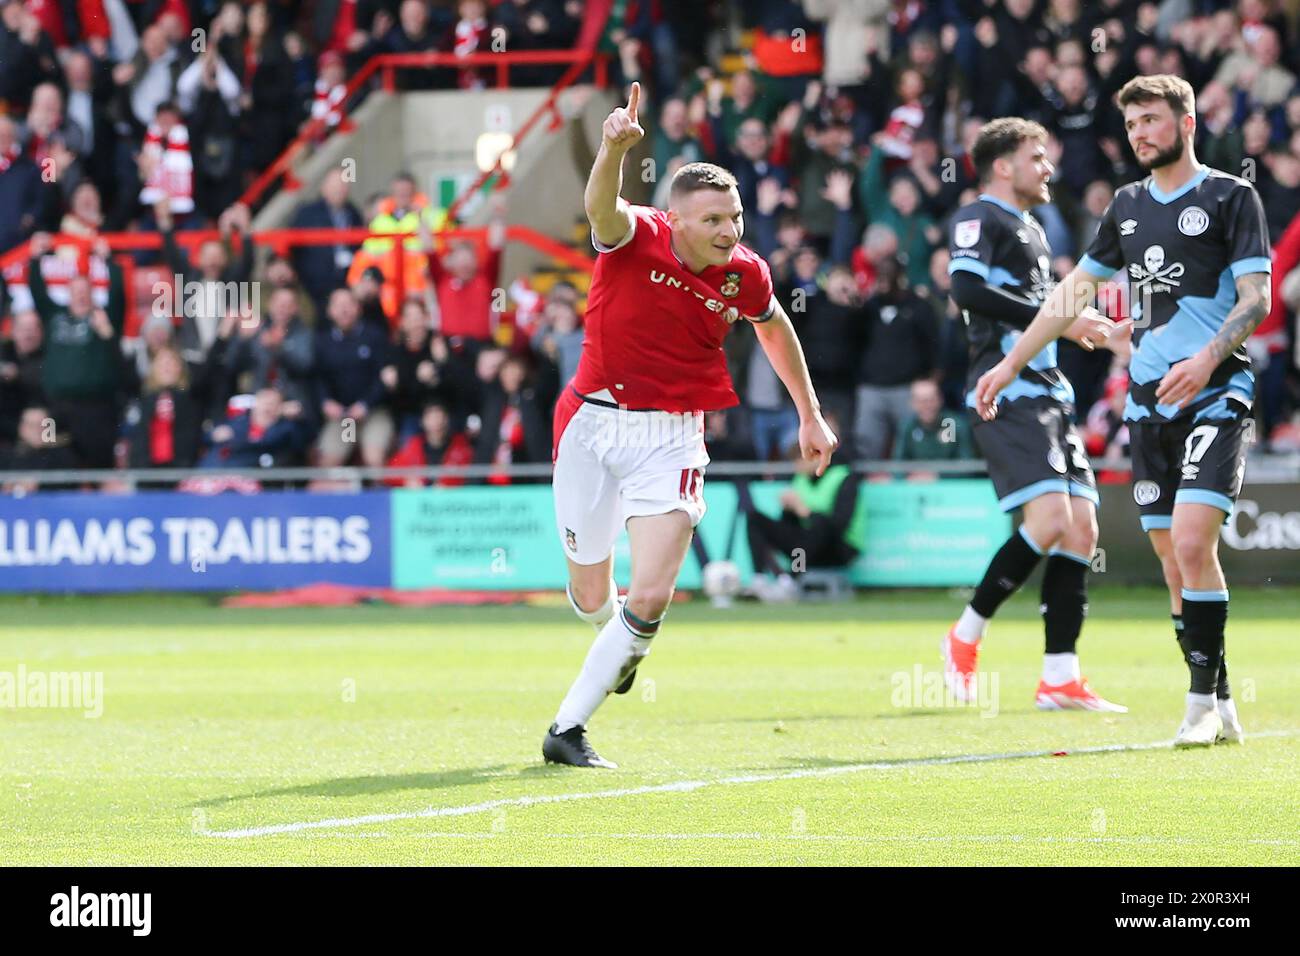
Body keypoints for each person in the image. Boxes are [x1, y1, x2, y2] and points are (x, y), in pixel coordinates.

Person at [543, 83, 838, 768]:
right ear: (675, 221)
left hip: (671, 435)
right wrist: (614, 149)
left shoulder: (746, 275)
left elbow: (774, 328)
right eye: (712, 220)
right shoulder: (635, 235)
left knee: (650, 593)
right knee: (595, 595)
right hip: (591, 423)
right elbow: (598, 208)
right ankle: (615, 646)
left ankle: (567, 729)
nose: (729, 231)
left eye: (733, 216)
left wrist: (810, 411)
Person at [976, 76, 1271, 747]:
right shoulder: (1127, 205)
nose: (1140, 134)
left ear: (1187, 122)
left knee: (1196, 543)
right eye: (1132, 124)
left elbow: (1256, 298)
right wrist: (1010, 362)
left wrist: (1205, 359)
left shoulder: (1232, 195)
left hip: (1216, 391)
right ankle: (1220, 698)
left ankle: (1197, 704)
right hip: (1146, 401)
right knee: (1174, 562)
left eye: (1152, 121)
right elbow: (1068, 296)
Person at [945, 118, 1127, 712]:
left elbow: (1039, 311)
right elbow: (967, 291)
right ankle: (965, 636)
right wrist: (1063, 319)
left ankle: (1060, 677)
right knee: (1050, 520)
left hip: (1052, 394)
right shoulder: (979, 217)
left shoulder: (1033, 228)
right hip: (1008, 392)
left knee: (1082, 530)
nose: (1049, 168)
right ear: (1003, 165)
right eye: (1037, 157)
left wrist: (1078, 326)